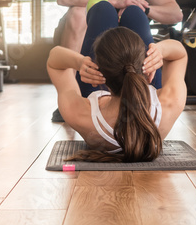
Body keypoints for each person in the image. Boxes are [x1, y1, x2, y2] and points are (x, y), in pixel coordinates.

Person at [47, 26, 188, 161]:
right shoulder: (169, 102)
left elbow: (54, 59)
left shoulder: (82, 115)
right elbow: (180, 54)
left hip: (96, 89)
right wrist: (158, 50)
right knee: (134, 13)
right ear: (143, 63)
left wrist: (80, 62)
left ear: (99, 69)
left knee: (103, 12)